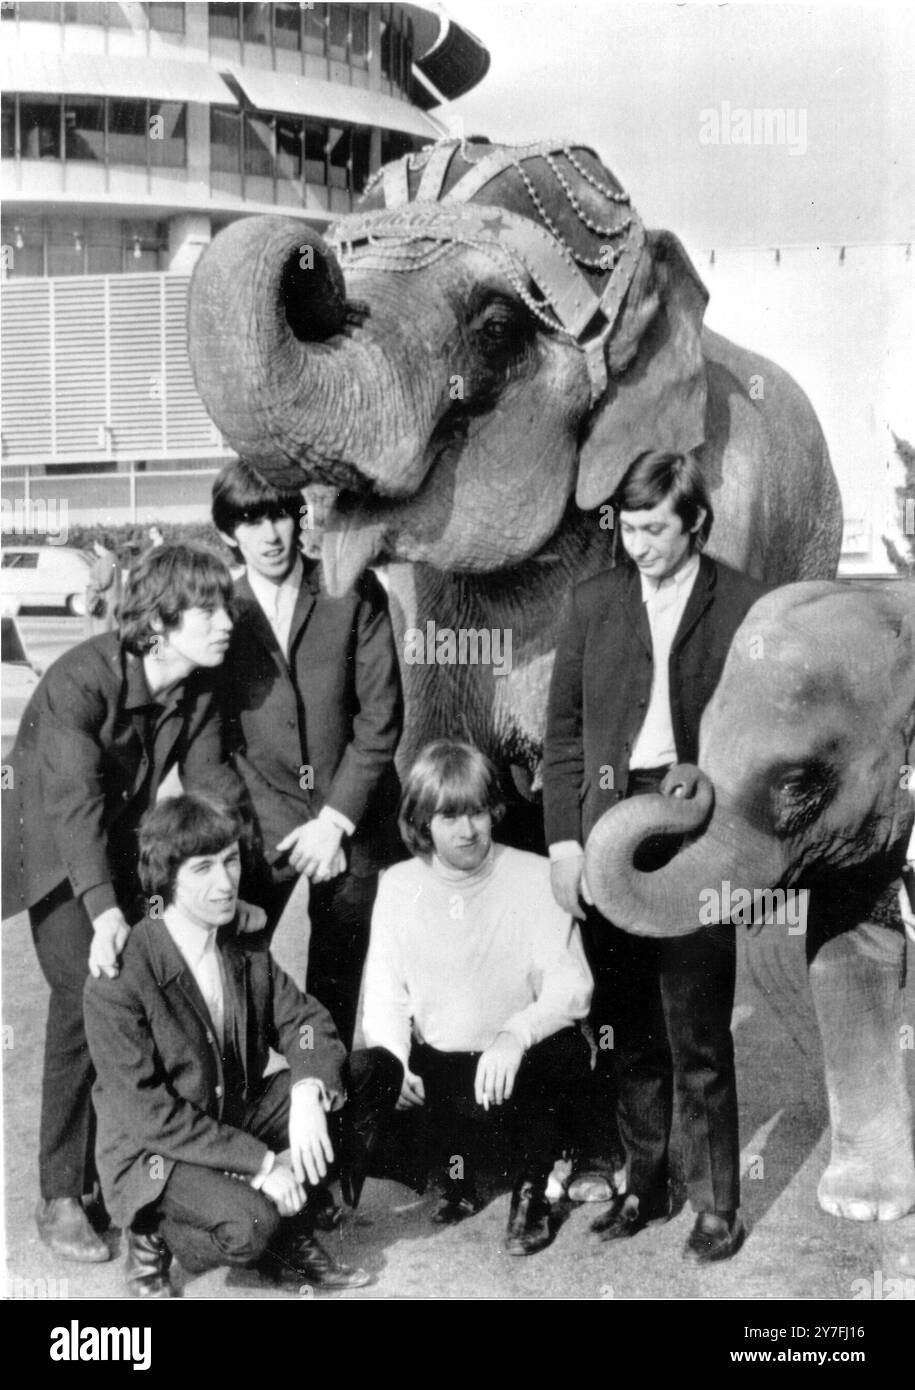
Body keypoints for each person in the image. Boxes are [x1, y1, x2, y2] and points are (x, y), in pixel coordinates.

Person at [543, 450, 769, 1263]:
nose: (635, 544)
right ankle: (646, 1182)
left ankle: (715, 1204)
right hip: (608, 829)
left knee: (698, 1024)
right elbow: (563, 735)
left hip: (697, 833)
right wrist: (566, 846)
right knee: (629, 1022)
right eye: (627, 528)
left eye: (653, 529)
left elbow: (758, 735)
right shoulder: (591, 603)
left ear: (695, 525)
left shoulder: (743, 603)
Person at [11, 543, 255, 1263]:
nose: (223, 623)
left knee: (142, 989)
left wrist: (242, 882)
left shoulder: (199, 687)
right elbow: (74, 806)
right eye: (206, 610)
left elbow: (212, 792)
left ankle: (127, 1171)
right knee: (83, 991)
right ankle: (60, 1195)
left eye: (224, 607)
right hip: (51, 847)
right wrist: (105, 911)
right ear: (156, 621)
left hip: (119, 843)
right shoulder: (77, 682)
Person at [84, 793, 401, 1297]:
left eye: (230, 861)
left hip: (231, 1114)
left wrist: (307, 1091)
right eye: (203, 868)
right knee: (249, 1228)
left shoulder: (242, 941)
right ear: (167, 879)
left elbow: (305, 1023)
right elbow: (151, 1116)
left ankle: (289, 1211)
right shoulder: (120, 974)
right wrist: (264, 1164)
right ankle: (153, 1232)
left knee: (373, 1071)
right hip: (157, 1152)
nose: (226, 882)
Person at [359, 740, 594, 1256]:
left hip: (519, 1068)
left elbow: (572, 987)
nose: (467, 830)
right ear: (421, 824)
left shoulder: (534, 875)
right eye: (449, 817)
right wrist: (394, 1063)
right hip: (450, 1072)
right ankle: (454, 1176)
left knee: (564, 1051)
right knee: (370, 1074)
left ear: (494, 811)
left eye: (477, 813)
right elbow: (384, 993)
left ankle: (533, 1194)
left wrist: (515, 1034)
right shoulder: (398, 886)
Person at [212, 460, 402, 1046]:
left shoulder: (352, 587)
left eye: (280, 516)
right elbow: (211, 742)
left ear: (300, 520)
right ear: (227, 534)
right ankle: (238, 1120)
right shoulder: (219, 610)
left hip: (354, 819)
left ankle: (332, 1109)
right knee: (231, 972)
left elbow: (380, 720)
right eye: (250, 520)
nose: (270, 535)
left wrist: (334, 822)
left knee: (337, 981)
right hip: (263, 825)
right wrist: (280, 831)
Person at [84, 535, 122, 637]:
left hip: (104, 602)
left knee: (102, 633)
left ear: (102, 545)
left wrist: (91, 586)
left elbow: (104, 581)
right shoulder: (112, 558)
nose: (94, 548)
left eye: (96, 545)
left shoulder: (108, 559)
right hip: (109, 600)